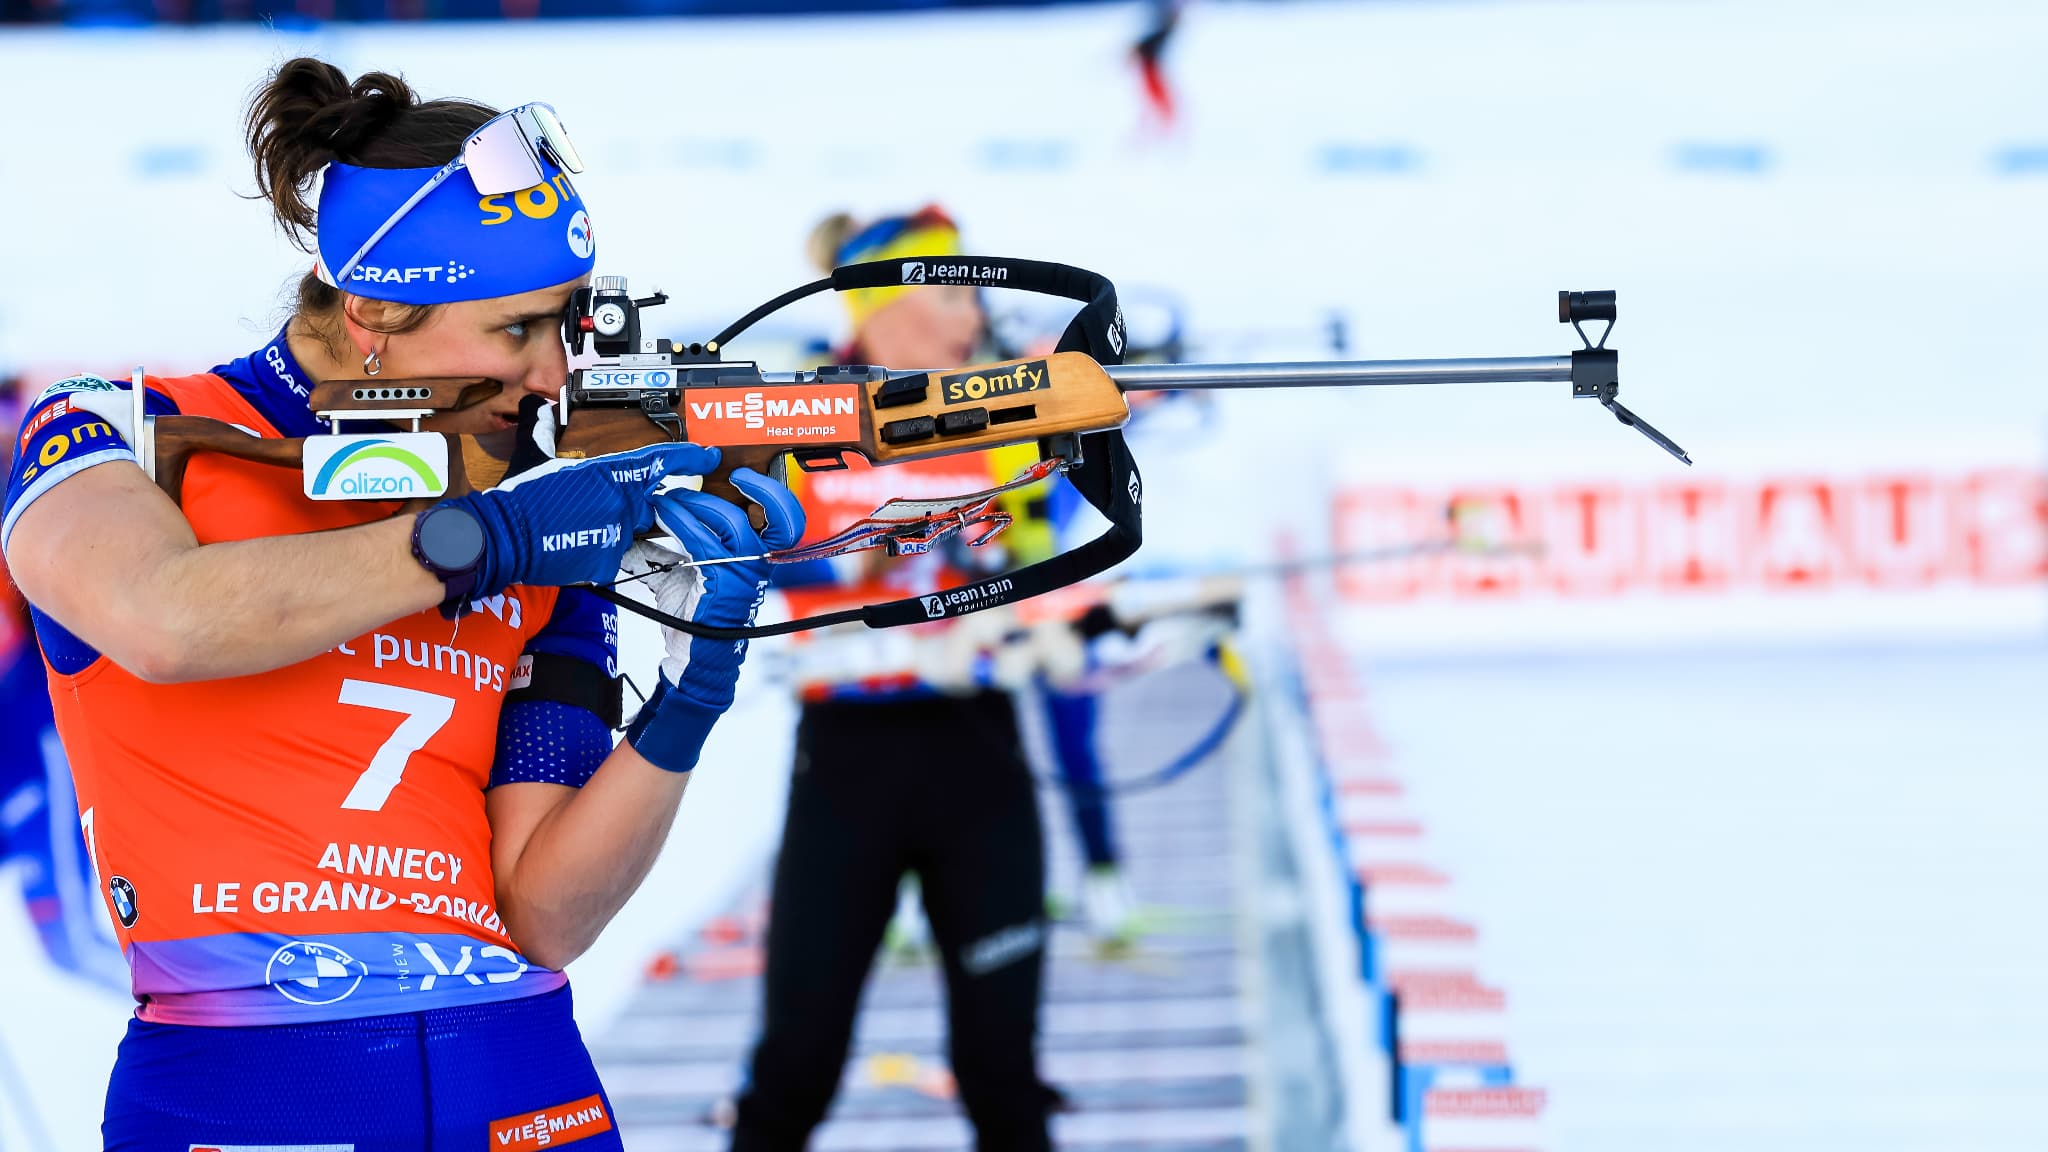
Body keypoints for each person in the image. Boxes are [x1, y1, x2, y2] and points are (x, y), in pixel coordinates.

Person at [0, 58, 800, 1149]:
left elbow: (545, 914)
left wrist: (693, 695)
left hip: (523, 1075)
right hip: (247, 1083)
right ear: (372, 304)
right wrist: (489, 539)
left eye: (567, 323)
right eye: (516, 329)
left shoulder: (532, 497)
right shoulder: (116, 428)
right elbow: (165, 619)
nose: (555, 372)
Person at [730, 206, 1062, 1151]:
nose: (972, 310)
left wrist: (998, 553)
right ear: (887, 307)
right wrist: (861, 559)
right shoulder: (796, 413)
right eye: (953, 288)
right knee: (798, 1058)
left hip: (977, 750)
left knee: (1004, 1071)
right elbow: (756, 553)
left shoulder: (1001, 410)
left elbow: (1040, 553)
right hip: (846, 762)